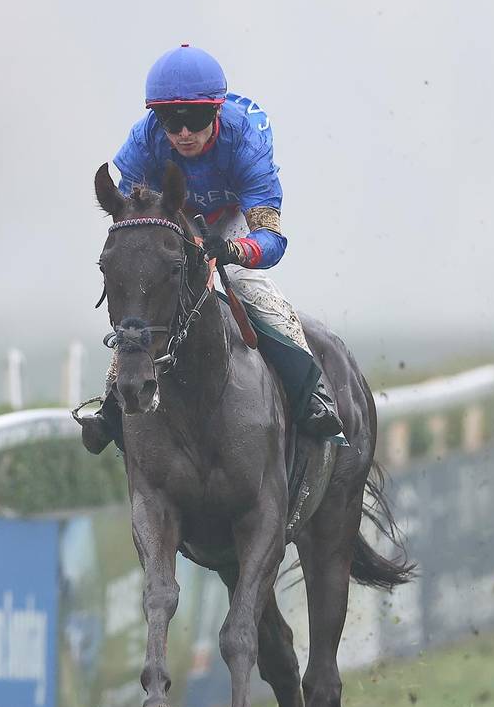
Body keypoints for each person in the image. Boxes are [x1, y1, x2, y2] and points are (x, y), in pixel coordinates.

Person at [79, 44, 342, 455]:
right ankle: (113, 402)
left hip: (232, 220)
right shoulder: (143, 141)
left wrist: (233, 250)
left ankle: (313, 393)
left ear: (217, 112)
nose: (183, 132)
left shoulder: (246, 143)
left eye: (196, 119)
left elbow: (271, 239)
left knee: (252, 288)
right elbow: (132, 218)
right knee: (144, 289)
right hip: (171, 219)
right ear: (156, 117)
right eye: (170, 120)